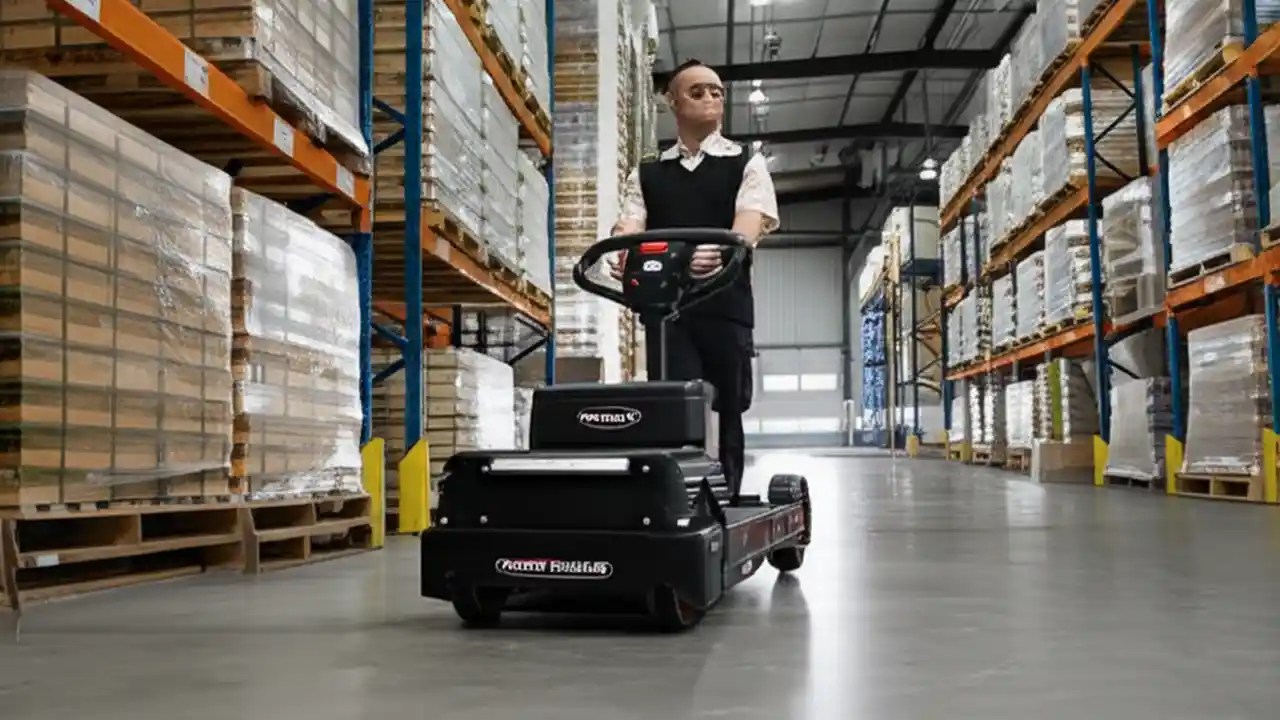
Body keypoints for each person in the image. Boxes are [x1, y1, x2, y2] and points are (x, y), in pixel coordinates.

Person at [609, 58, 779, 502]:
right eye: (697, 91)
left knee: (726, 409)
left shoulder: (747, 163)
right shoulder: (649, 171)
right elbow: (631, 221)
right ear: (673, 103)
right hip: (668, 310)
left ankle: (723, 500)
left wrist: (721, 248)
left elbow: (748, 224)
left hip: (726, 308)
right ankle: (676, 498)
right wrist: (620, 248)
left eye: (717, 92)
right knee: (675, 403)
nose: (710, 98)